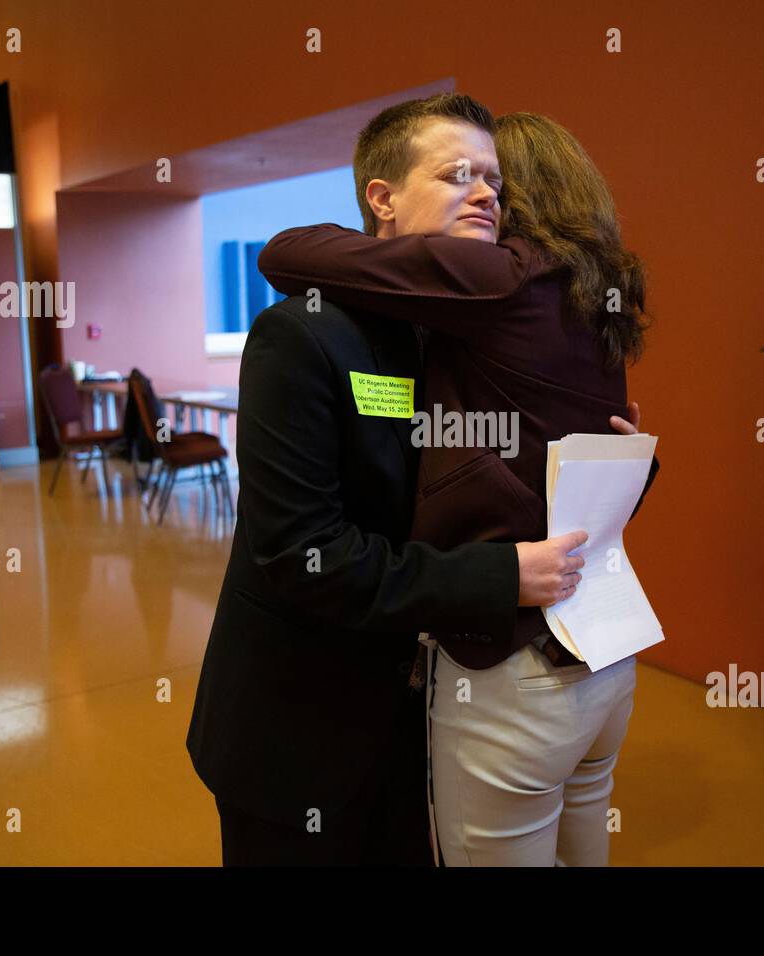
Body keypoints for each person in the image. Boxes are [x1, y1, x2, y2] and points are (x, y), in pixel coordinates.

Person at [184, 94, 598, 867]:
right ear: (383, 198)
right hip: (298, 730)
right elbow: (304, 554)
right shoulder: (303, 333)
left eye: (496, 183)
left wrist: (621, 459)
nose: (487, 194)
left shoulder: (464, 333)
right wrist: (499, 574)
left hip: (424, 723)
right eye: (458, 174)